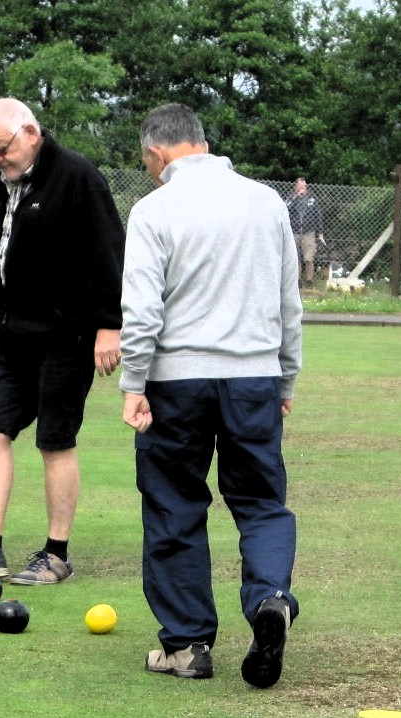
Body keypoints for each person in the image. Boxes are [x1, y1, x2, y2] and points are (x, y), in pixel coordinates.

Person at [119, 103, 302, 687]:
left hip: (176, 380)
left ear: (156, 153)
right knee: (261, 502)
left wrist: (133, 383)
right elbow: (287, 303)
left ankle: (187, 643)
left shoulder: (153, 209)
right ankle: (270, 597)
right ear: (201, 141)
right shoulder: (267, 202)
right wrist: (286, 377)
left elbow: (142, 310)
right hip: (253, 373)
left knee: (174, 502)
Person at [0, 97, 124, 586]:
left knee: (54, 442)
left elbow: (109, 253)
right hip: (12, 336)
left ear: (31, 133)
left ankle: (56, 554)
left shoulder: (79, 177)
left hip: (66, 335)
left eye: (1, 149)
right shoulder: (8, 180)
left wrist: (109, 324)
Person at [286, 177, 325, 286]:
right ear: (297, 186)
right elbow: (286, 209)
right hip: (295, 231)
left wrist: (320, 232)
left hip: (308, 232)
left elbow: (318, 215)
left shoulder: (311, 198)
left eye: (305, 185)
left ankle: (309, 281)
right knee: (295, 257)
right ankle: (297, 281)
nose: (304, 187)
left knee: (309, 257)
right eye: (302, 185)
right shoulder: (291, 197)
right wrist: (296, 197)